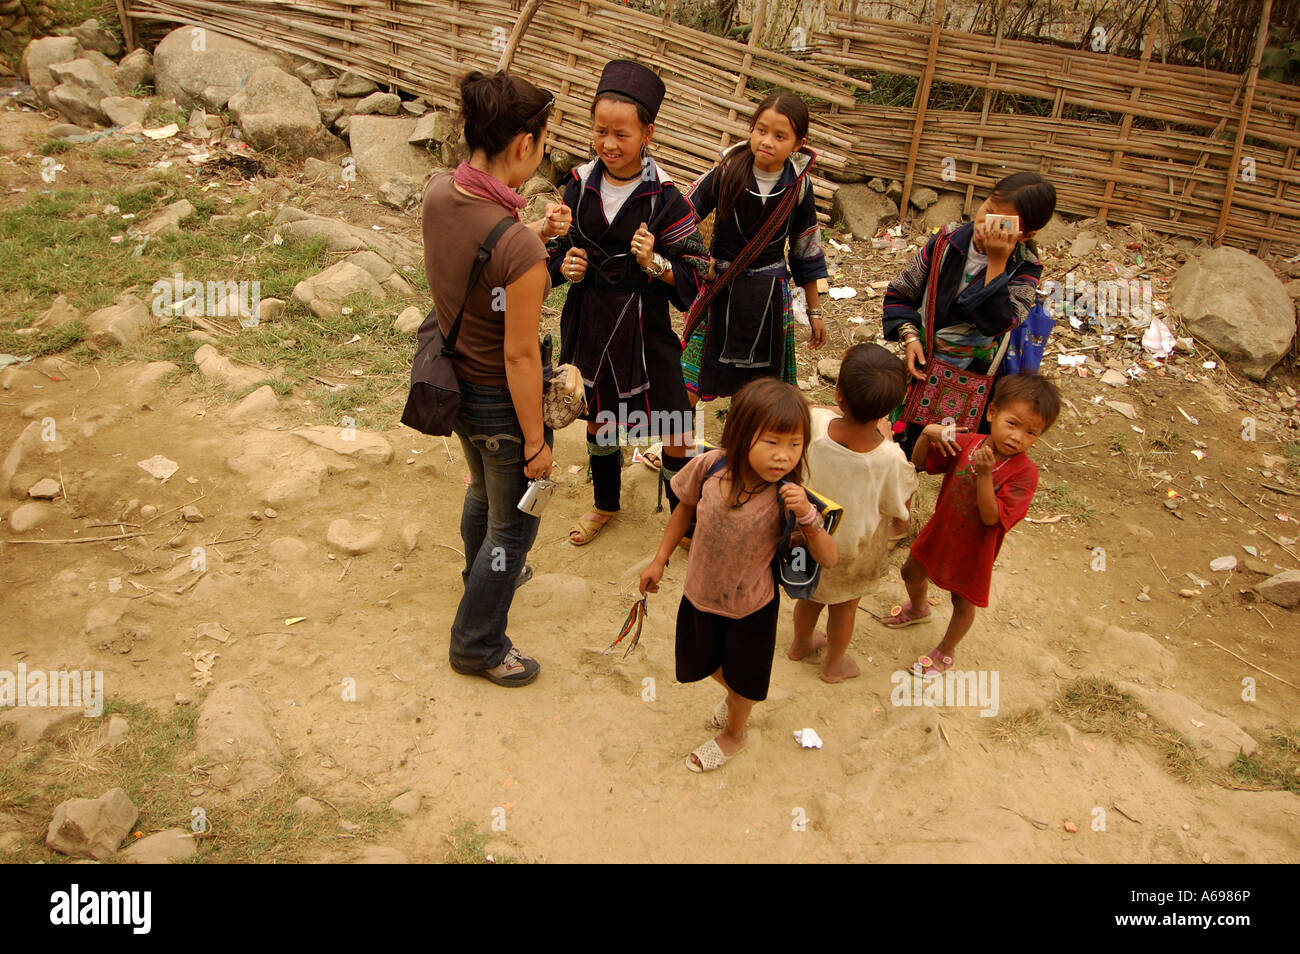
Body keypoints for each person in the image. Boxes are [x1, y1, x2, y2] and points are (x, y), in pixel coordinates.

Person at [420, 70, 571, 687]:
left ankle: (478, 579)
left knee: (484, 495)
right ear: (523, 145)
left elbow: (471, 261)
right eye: (543, 142)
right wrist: (537, 444)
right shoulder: (518, 250)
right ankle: (478, 643)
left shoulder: (439, 193)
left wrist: (527, 235)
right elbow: (520, 359)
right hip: (500, 403)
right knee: (515, 525)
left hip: (452, 384)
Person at [546, 59, 710, 546]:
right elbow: (555, 249)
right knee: (599, 417)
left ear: (648, 133)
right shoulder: (578, 185)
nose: (609, 144)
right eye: (600, 131)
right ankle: (605, 503)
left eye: (622, 133)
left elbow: (698, 273)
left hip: (644, 322)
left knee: (676, 420)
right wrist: (564, 268)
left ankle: (686, 517)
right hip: (590, 318)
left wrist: (655, 263)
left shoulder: (666, 199)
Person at [639, 378, 837, 772]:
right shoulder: (708, 467)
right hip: (699, 594)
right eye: (772, 442)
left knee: (745, 678)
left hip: (752, 607)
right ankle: (736, 697)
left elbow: (828, 559)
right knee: (698, 662)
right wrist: (659, 558)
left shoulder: (788, 497)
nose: (783, 456)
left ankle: (735, 733)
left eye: (794, 445)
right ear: (742, 434)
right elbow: (683, 509)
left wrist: (809, 518)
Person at [666, 92, 828, 512]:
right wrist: (693, 264)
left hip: (768, 304)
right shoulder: (726, 170)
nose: (766, 141)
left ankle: (737, 484)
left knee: (754, 402)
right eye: (760, 130)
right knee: (684, 392)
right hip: (720, 295)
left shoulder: (800, 185)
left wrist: (814, 311)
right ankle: (676, 487)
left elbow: (806, 251)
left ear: (799, 142)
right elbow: (683, 213)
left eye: (780, 135)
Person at [881, 170, 1056, 541]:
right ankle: (899, 514)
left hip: (977, 383)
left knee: (962, 455)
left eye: (1002, 222)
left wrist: (996, 264)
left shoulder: (1025, 269)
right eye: (988, 207)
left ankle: (948, 527)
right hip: (925, 366)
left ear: (1026, 234)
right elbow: (901, 292)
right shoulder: (946, 242)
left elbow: (1001, 322)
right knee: (903, 444)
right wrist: (910, 335)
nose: (986, 224)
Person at [881, 374, 1061, 675]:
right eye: (1013, 424)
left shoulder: (1024, 474)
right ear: (992, 413)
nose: (1017, 437)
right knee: (910, 570)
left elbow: (991, 518)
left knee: (962, 602)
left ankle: (946, 651)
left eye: (1031, 433)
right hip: (941, 530)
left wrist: (986, 474)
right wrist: (927, 434)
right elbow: (921, 463)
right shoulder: (969, 443)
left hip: (975, 549)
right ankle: (918, 608)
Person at [787, 344, 916, 683]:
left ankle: (800, 645)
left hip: (811, 535)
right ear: (890, 409)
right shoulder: (890, 458)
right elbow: (899, 506)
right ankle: (833, 666)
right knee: (844, 608)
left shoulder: (815, 424)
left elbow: (813, 410)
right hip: (852, 551)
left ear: (838, 393)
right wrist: (887, 439)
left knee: (811, 597)